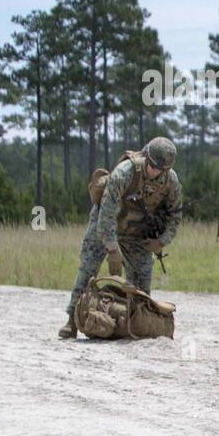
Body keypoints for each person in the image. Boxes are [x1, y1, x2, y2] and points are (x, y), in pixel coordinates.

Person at [60, 137, 182, 339]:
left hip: (136, 232)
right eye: (151, 165)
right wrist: (112, 248)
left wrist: (161, 241)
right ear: (146, 157)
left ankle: (136, 321)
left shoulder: (171, 181)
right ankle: (72, 319)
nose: (153, 170)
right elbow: (105, 214)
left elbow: (175, 215)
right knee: (88, 269)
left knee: (142, 275)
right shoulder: (125, 173)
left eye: (159, 168)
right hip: (105, 226)